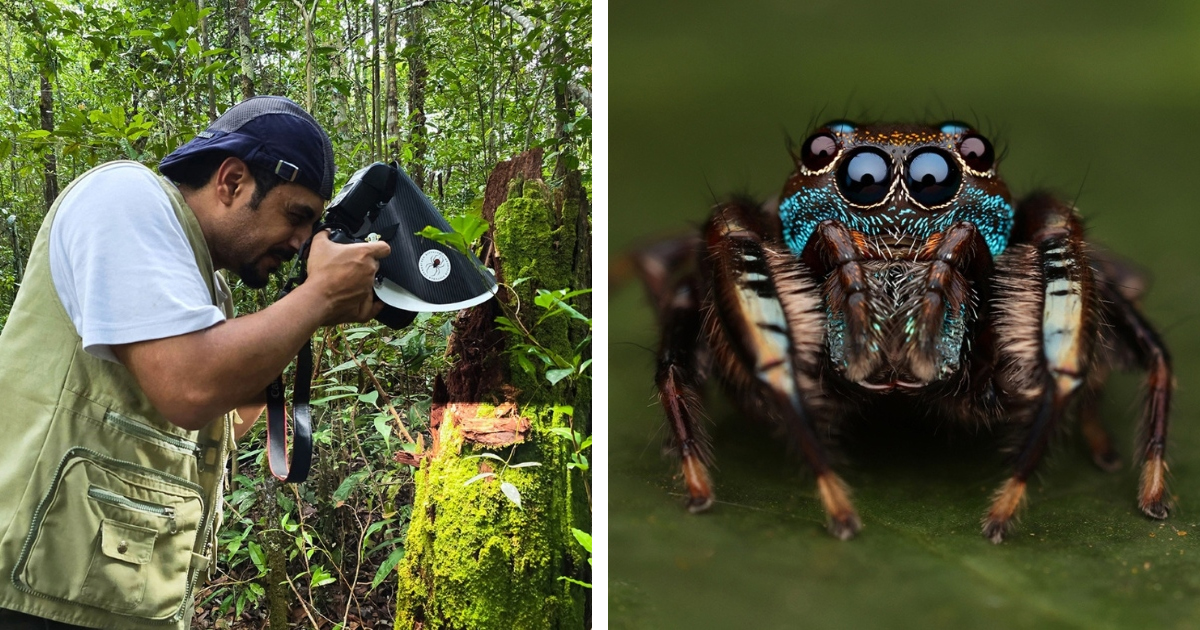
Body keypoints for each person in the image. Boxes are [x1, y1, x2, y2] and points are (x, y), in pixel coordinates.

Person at [0, 96, 389, 629]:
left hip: (108, 597)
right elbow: (189, 387)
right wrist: (317, 297)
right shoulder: (126, 196)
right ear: (231, 181)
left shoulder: (209, 290)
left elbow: (231, 421)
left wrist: (312, 313)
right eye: (297, 215)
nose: (301, 241)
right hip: (31, 593)